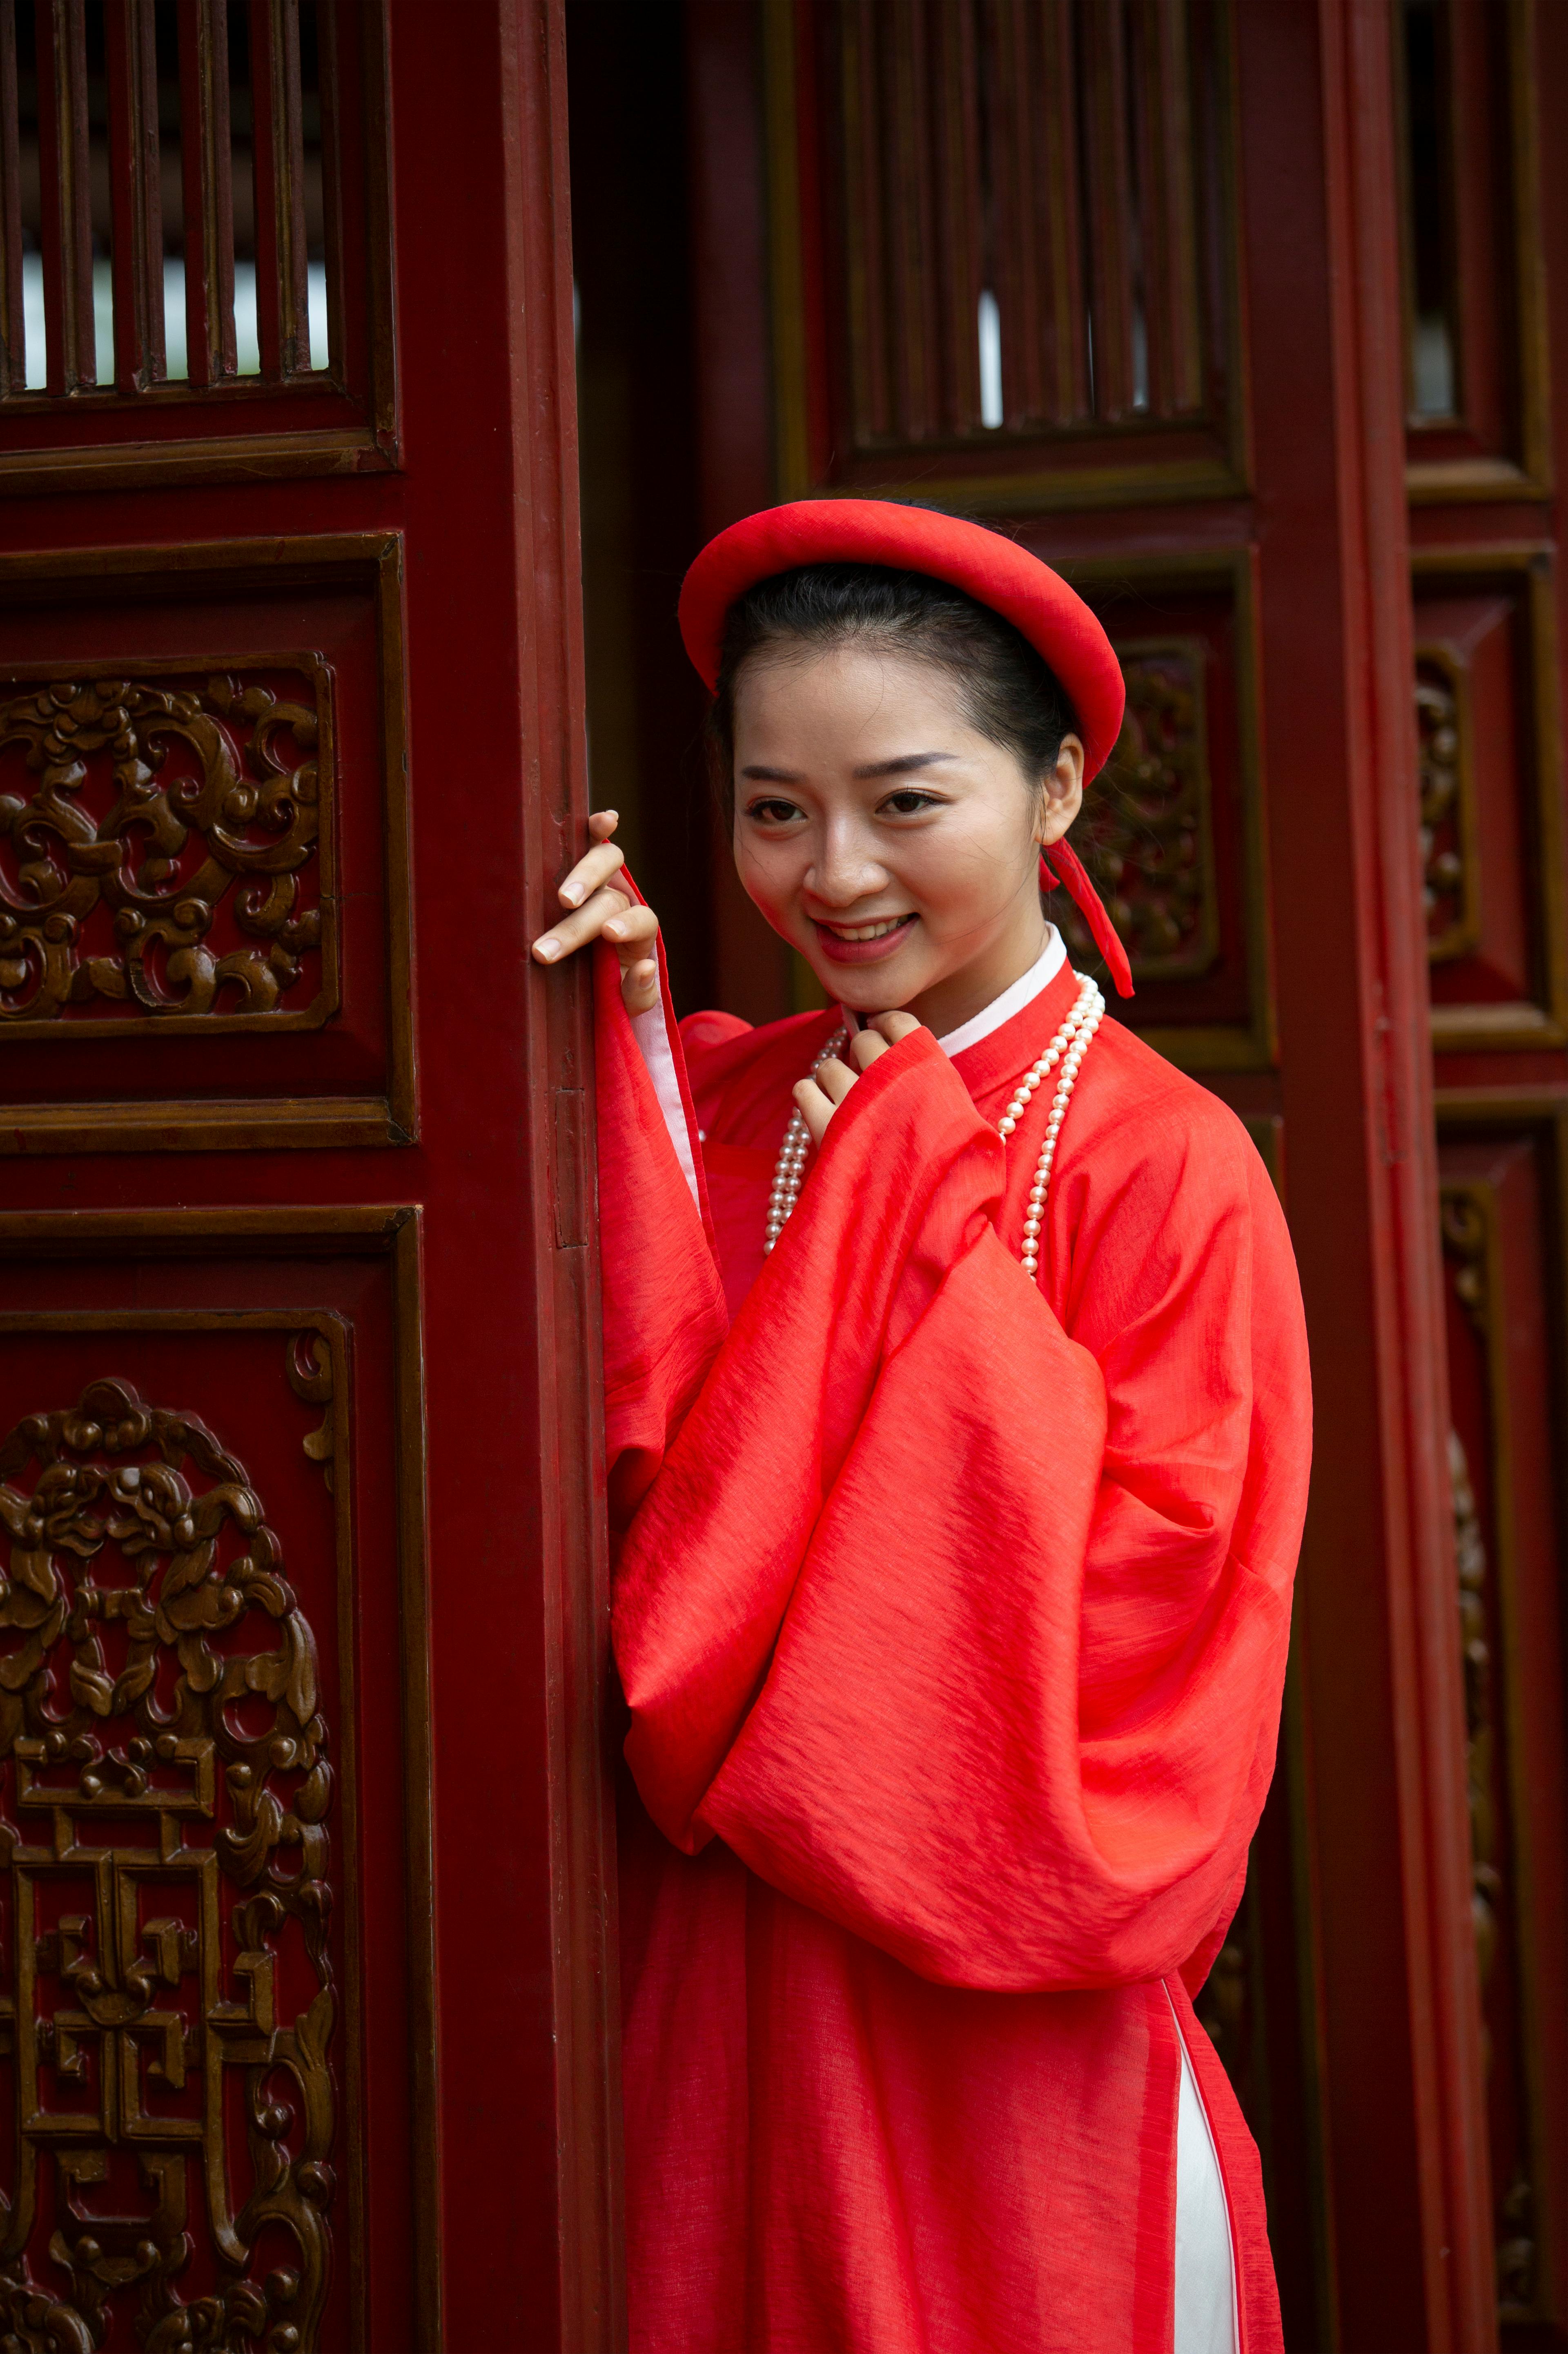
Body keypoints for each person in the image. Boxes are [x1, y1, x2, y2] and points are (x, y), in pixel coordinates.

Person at [532, 500, 1312, 2354]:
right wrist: (602, 1057)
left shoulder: (1166, 1164)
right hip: (710, 2015)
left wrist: (914, 1211)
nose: (836, 873)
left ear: (1054, 791)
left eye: (905, 801)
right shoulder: (719, 1102)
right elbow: (618, 1525)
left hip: (1008, 2062)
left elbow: (1151, 1671)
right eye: (776, 809)